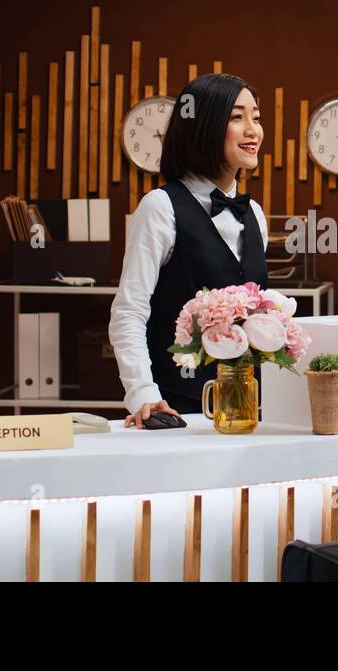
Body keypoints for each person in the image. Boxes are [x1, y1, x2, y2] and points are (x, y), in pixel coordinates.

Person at [107, 73, 267, 428]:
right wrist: (144, 395)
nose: (253, 129)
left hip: (248, 409)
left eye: (256, 117)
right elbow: (129, 312)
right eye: (237, 117)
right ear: (204, 126)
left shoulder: (254, 214)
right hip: (176, 408)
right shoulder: (160, 207)